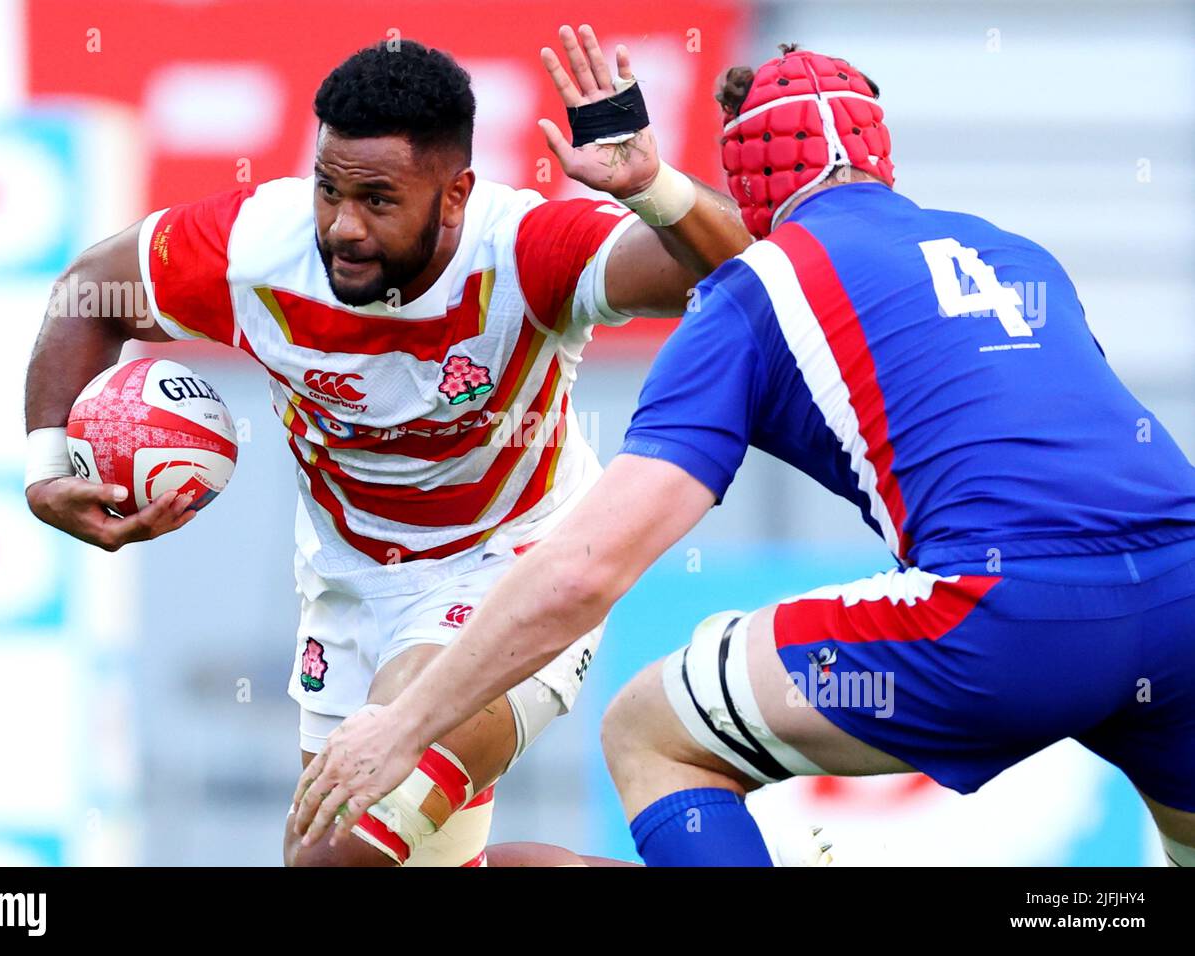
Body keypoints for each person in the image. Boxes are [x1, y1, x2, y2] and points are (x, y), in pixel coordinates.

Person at [291, 45, 1195, 868]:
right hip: (1182, 600)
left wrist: (403, 724)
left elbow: (586, 569)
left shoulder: (750, 295)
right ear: (879, 156)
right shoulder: (1009, 250)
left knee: (650, 729)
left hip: (1007, 617)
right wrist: (656, 191)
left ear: (746, 177)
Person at [23, 26, 753, 867]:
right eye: (329, 190)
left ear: (455, 194)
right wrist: (46, 467)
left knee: (340, 853)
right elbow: (89, 294)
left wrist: (655, 187)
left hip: (511, 569)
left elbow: (734, 271)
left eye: (377, 200)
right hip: (347, 589)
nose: (343, 227)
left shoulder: (524, 253)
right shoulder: (259, 251)